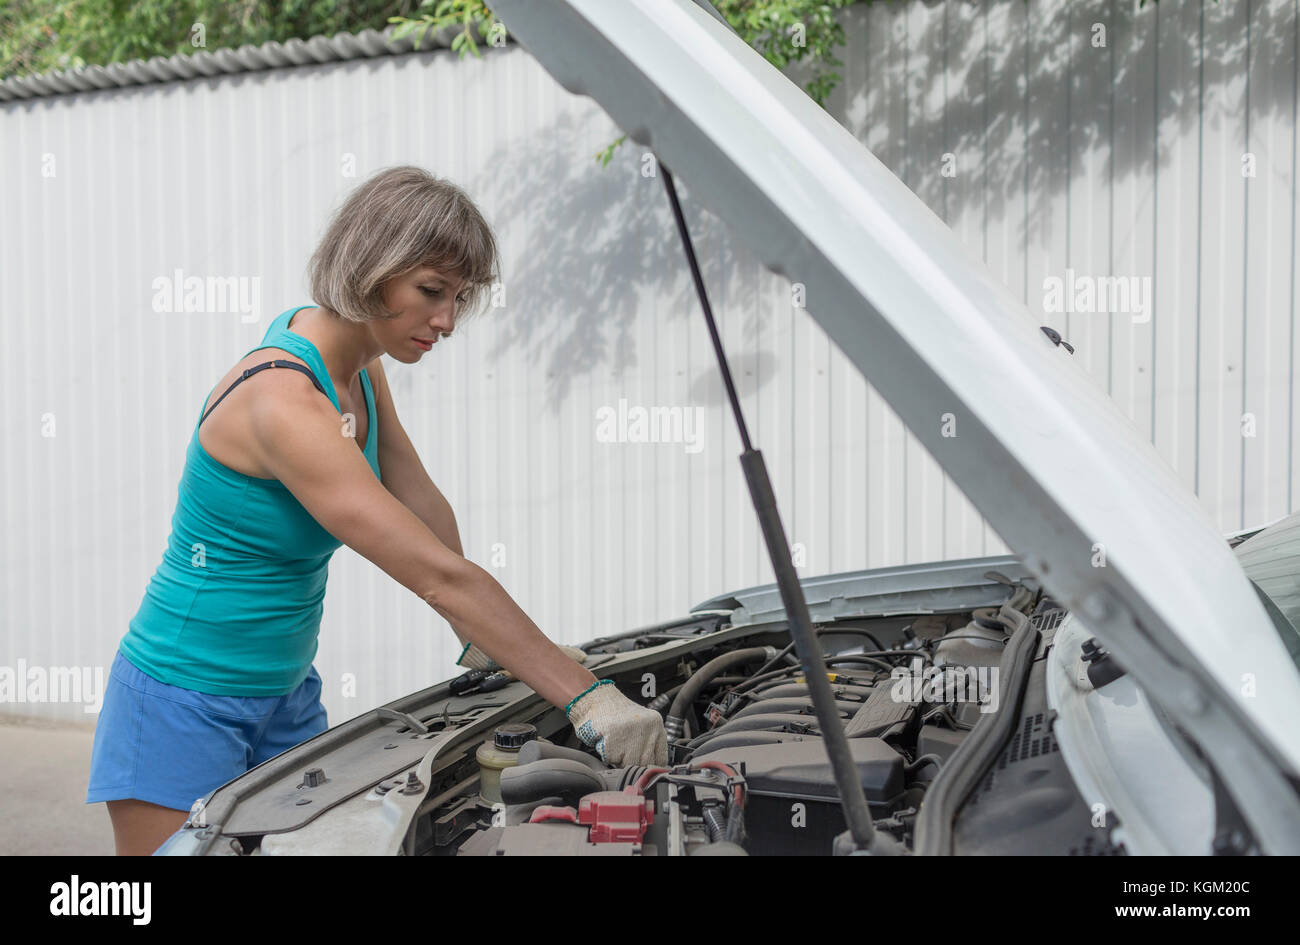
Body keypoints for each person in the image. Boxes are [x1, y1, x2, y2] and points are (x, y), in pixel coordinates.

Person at [86, 165, 667, 855]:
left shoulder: (359, 366)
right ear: (370, 267)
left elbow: (417, 499)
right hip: (184, 701)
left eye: (459, 297)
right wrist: (587, 696)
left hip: (286, 691)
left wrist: (490, 639)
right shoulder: (283, 403)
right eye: (430, 291)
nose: (447, 320)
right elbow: (433, 574)